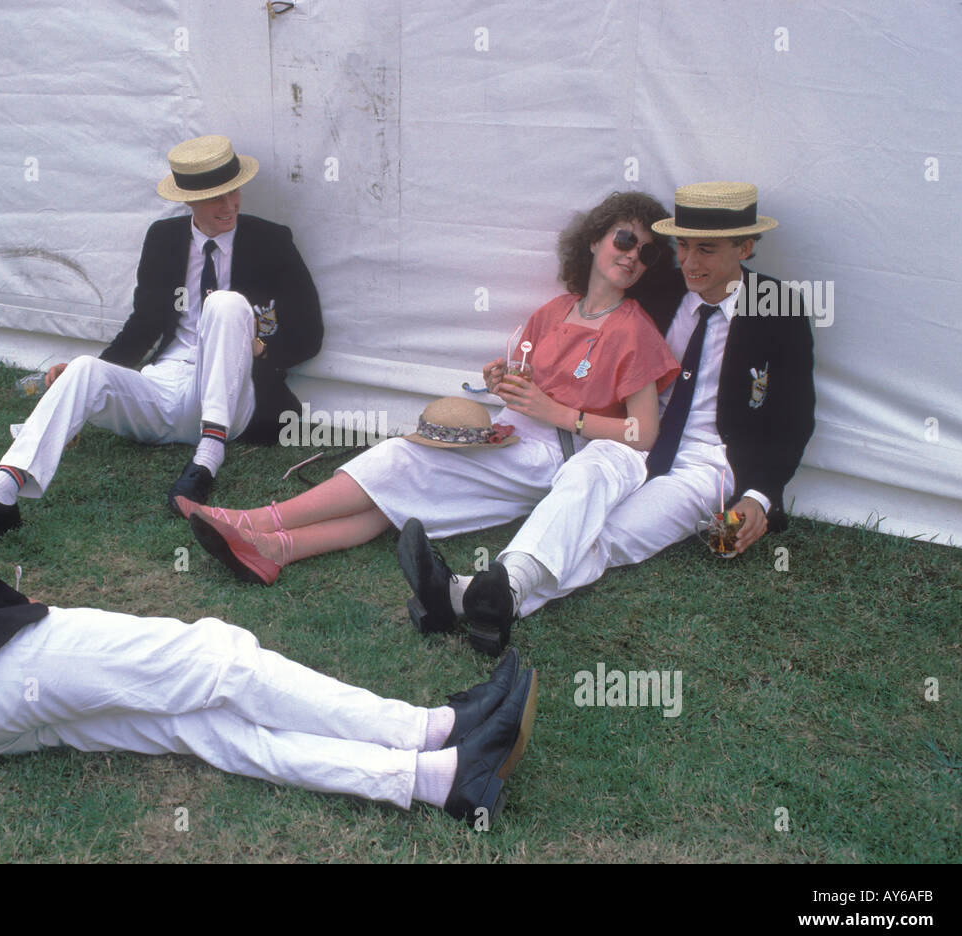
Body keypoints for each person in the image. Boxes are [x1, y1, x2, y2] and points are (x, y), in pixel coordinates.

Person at [0, 355, 535, 826]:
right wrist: (20, 607)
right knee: (218, 659)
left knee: (197, 729)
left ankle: (432, 782)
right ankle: (428, 727)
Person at [179, 191, 682, 654]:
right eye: (624, 239)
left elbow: (644, 434)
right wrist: (499, 378)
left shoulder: (633, 330)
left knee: (406, 465)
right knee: (404, 472)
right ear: (594, 240)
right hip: (511, 437)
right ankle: (273, 547)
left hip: (564, 452)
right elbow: (529, 379)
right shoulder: (553, 312)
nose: (633, 254)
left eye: (648, 253)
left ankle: (254, 520)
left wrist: (557, 413)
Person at [401, 181, 816, 648]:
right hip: (632, 439)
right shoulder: (658, 291)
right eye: (681, 247)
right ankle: (492, 597)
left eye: (707, 250)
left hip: (705, 463)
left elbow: (793, 418)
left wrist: (759, 496)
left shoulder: (777, 309)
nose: (690, 263)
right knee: (583, 478)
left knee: (610, 535)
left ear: (746, 246)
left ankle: (468, 594)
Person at [0, 134, 323, 533]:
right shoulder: (164, 238)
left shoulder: (271, 240)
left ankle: (206, 461)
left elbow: (310, 332)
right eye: (213, 197)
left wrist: (259, 348)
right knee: (83, 369)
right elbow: (144, 325)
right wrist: (88, 386)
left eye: (233, 192)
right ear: (187, 199)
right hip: (166, 386)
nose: (228, 205)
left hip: (236, 396)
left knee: (225, 303)